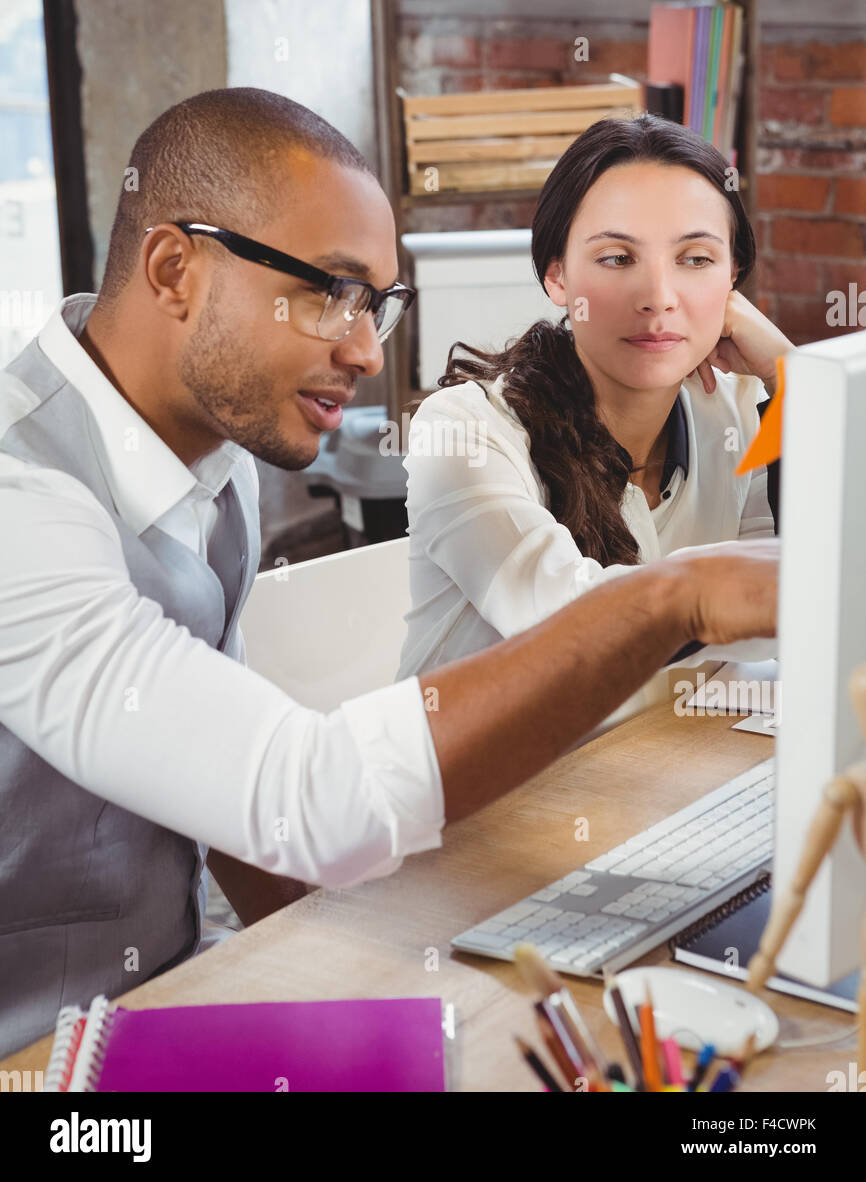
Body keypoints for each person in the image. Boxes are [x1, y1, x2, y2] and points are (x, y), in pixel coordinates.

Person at [0, 88, 778, 1057]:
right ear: (172, 268)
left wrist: (382, 969)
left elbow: (244, 815)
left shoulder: (214, 456)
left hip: (158, 1003)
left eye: (378, 301)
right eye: (329, 289)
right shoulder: (20, 498)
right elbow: (304, 794)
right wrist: (675, 591)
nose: (366, 350)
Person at [397, 114, 790, 733]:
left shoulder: (736, 414)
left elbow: (818, 593)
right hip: (474, 814)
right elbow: (565, 624)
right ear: (557, 275)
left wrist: (791, 378)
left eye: (695, 258)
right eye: (615, 257)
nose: (658, 295)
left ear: (732, 278)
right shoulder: (465, 432)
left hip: (639, 782)